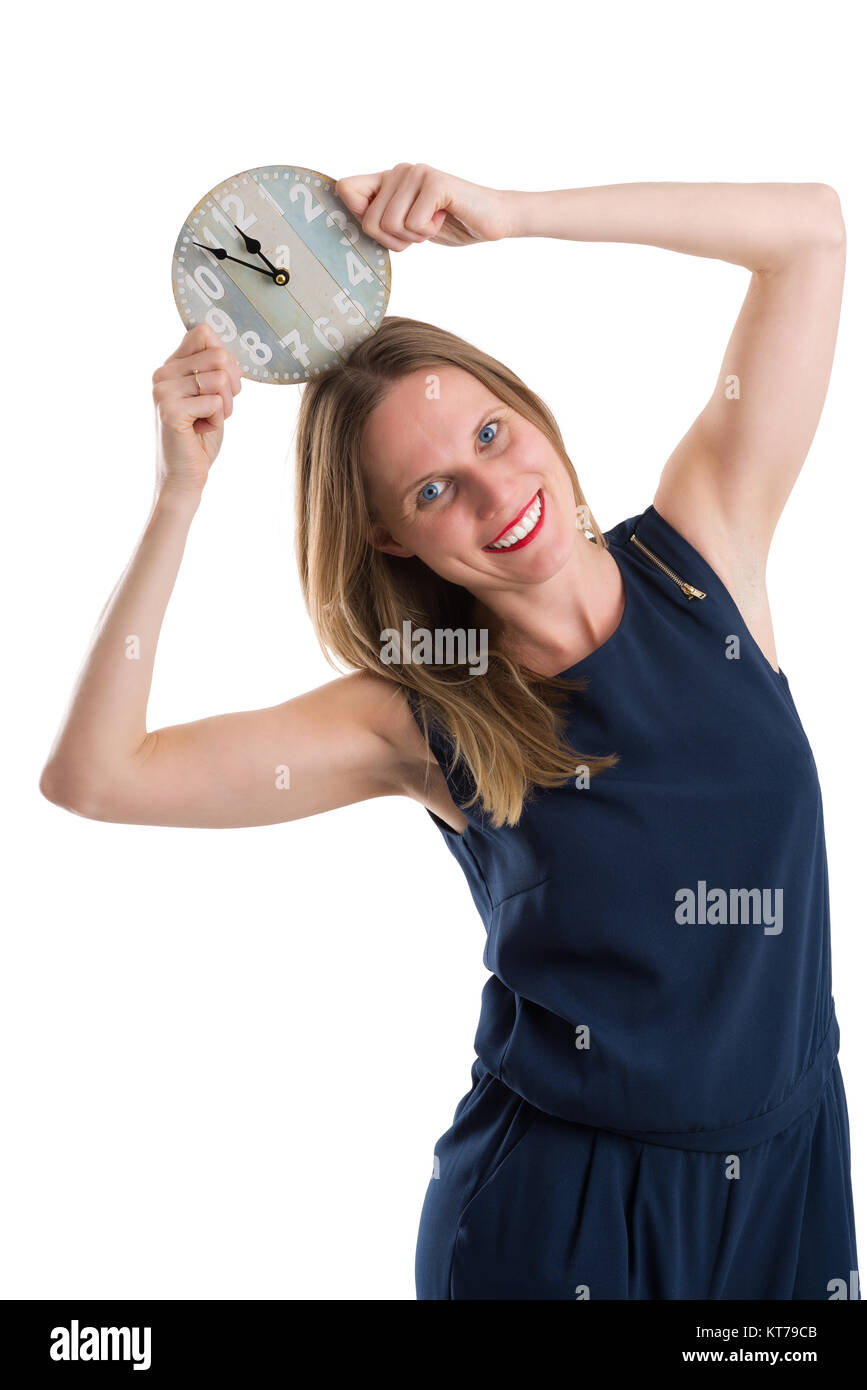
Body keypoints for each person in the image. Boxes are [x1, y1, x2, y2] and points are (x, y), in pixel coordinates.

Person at [40, 166, 857, 1300]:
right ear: (386, 541)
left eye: (490, 431)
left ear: (527, 405)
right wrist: (179, 491)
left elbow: (811, 234)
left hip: (791, 1168)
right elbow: (98, 774)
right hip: (564, 1220)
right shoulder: (426, 709)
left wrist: (516, 214)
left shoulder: (706, 547)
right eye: (432, 492)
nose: (495, 492)